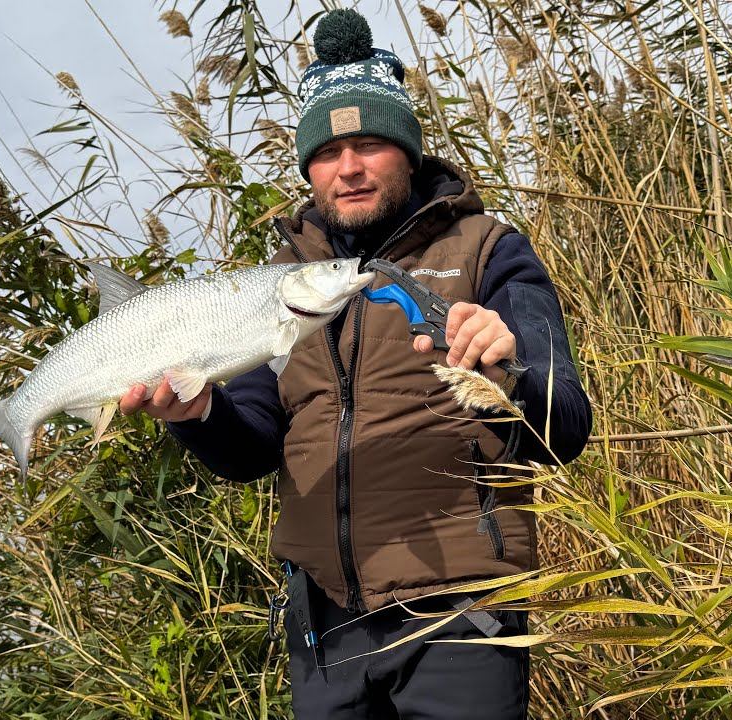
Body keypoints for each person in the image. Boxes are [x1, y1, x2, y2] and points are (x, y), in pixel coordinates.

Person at [120, 8, 591, 718]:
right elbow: (251, 447)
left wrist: (509, 368)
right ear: (309, 167)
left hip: (461, 617)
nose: (349, 168)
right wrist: (200, 414)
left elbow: (568, 428)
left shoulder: (488, 250)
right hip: (323, 626)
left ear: (407, 149)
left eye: (370, 143)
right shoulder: (277, 283)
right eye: (328, 152)